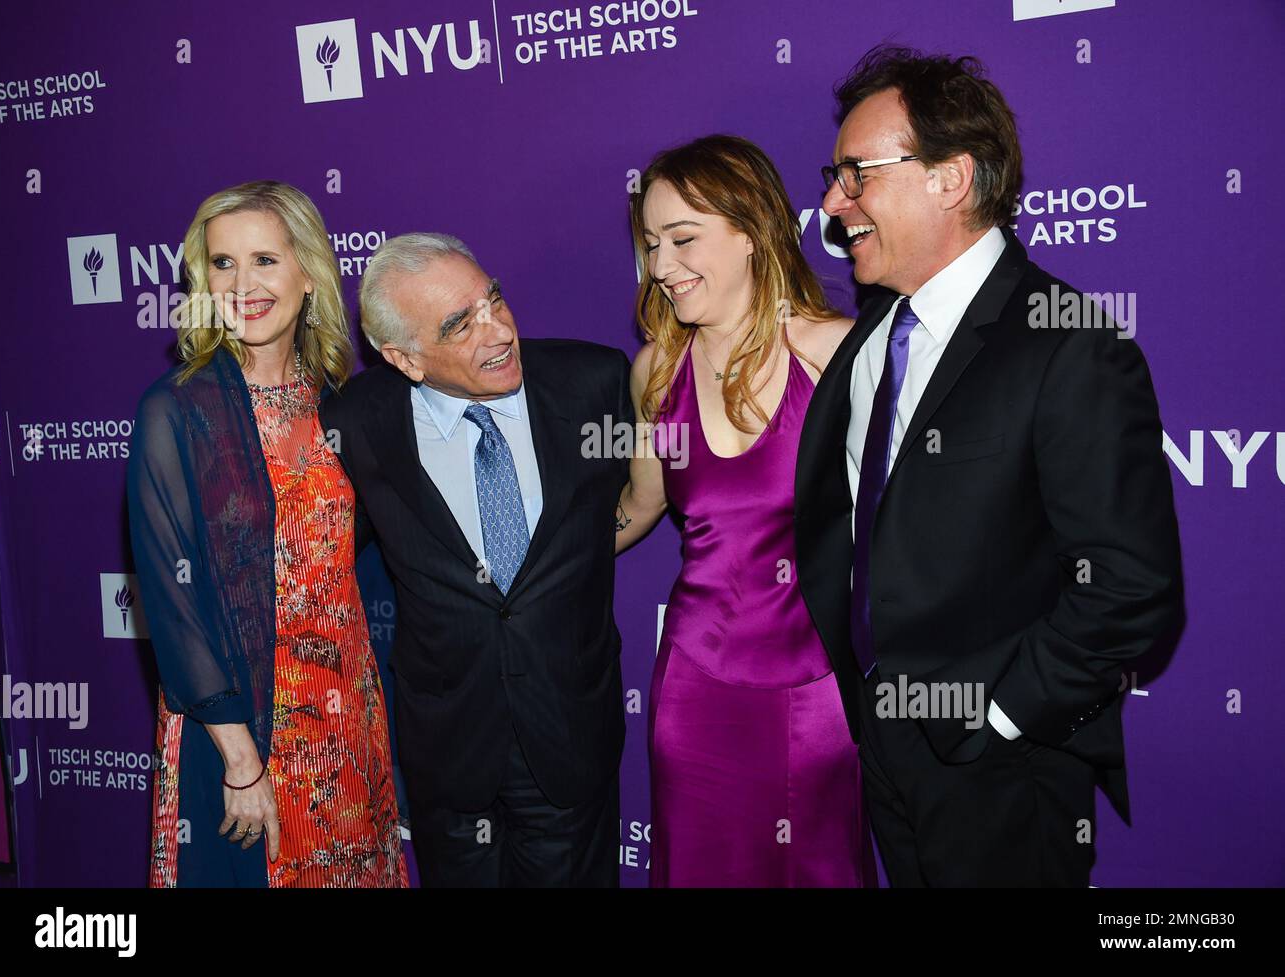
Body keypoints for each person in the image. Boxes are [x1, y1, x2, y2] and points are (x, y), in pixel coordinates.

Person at [795, 45, 1184, 886]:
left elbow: (1132, 589)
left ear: (951, 178)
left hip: (1003, 772)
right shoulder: (870, 339)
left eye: (857, 173)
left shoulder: (1069, 344)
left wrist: (997, 715)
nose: (832, 202)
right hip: (882, 746)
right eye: (835, 175)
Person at [319, 234, 630, 887]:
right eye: (460, 325)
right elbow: (318, 554)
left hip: (569, 734)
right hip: (449, 750)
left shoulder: (595, 383)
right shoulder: (357, 423)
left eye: (493, 300)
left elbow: (660, 495)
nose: (498, 331)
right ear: (402, 357)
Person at [128, 180, 408, 887]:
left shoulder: (341, 404)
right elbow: (170, 601)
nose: (242, 284)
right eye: (222, 264)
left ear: (308, 273)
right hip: (240, 725)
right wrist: (241, 760)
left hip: (345, 727)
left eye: (264, 261)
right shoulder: (178, 410)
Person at [616, 134, 876, 887]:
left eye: (683, 239)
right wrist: (524, 568)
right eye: (652, 243)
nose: (660, 265)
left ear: (754, 231)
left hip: (818, 689)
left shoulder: (836, 354)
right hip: (695, 689)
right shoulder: (656, 370)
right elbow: (638, 504)